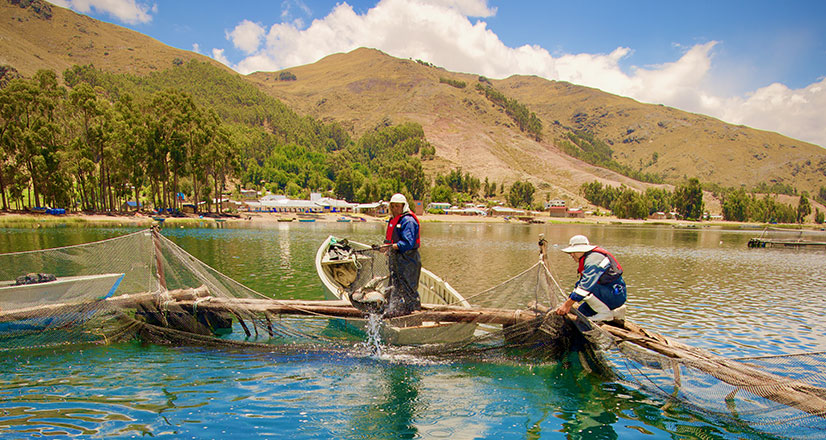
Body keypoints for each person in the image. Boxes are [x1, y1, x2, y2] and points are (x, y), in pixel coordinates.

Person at [554, 235, 627, 322]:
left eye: (573, 252)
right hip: (607, 294)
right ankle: (616, 312)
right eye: (570, 253)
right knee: (582, 313)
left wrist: (567, 305)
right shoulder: (588, 258)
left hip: (614, 295)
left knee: (583, 289)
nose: (571, 255)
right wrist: (570, 301)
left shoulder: (593, 260)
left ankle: (605, 314)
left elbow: (584, 287)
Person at [381, 193, 422, 317]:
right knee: (395, 285)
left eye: (397, 206)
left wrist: (392, 247)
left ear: (403, 207)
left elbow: (408, 243)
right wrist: (386, 248)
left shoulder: (408, 221)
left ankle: (414, 313)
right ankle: (395, 310)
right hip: (396, 259)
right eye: (392, 206)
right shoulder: (395, 220)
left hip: (408, 259)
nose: (394, 209)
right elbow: (392, 240)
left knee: (409, 287)